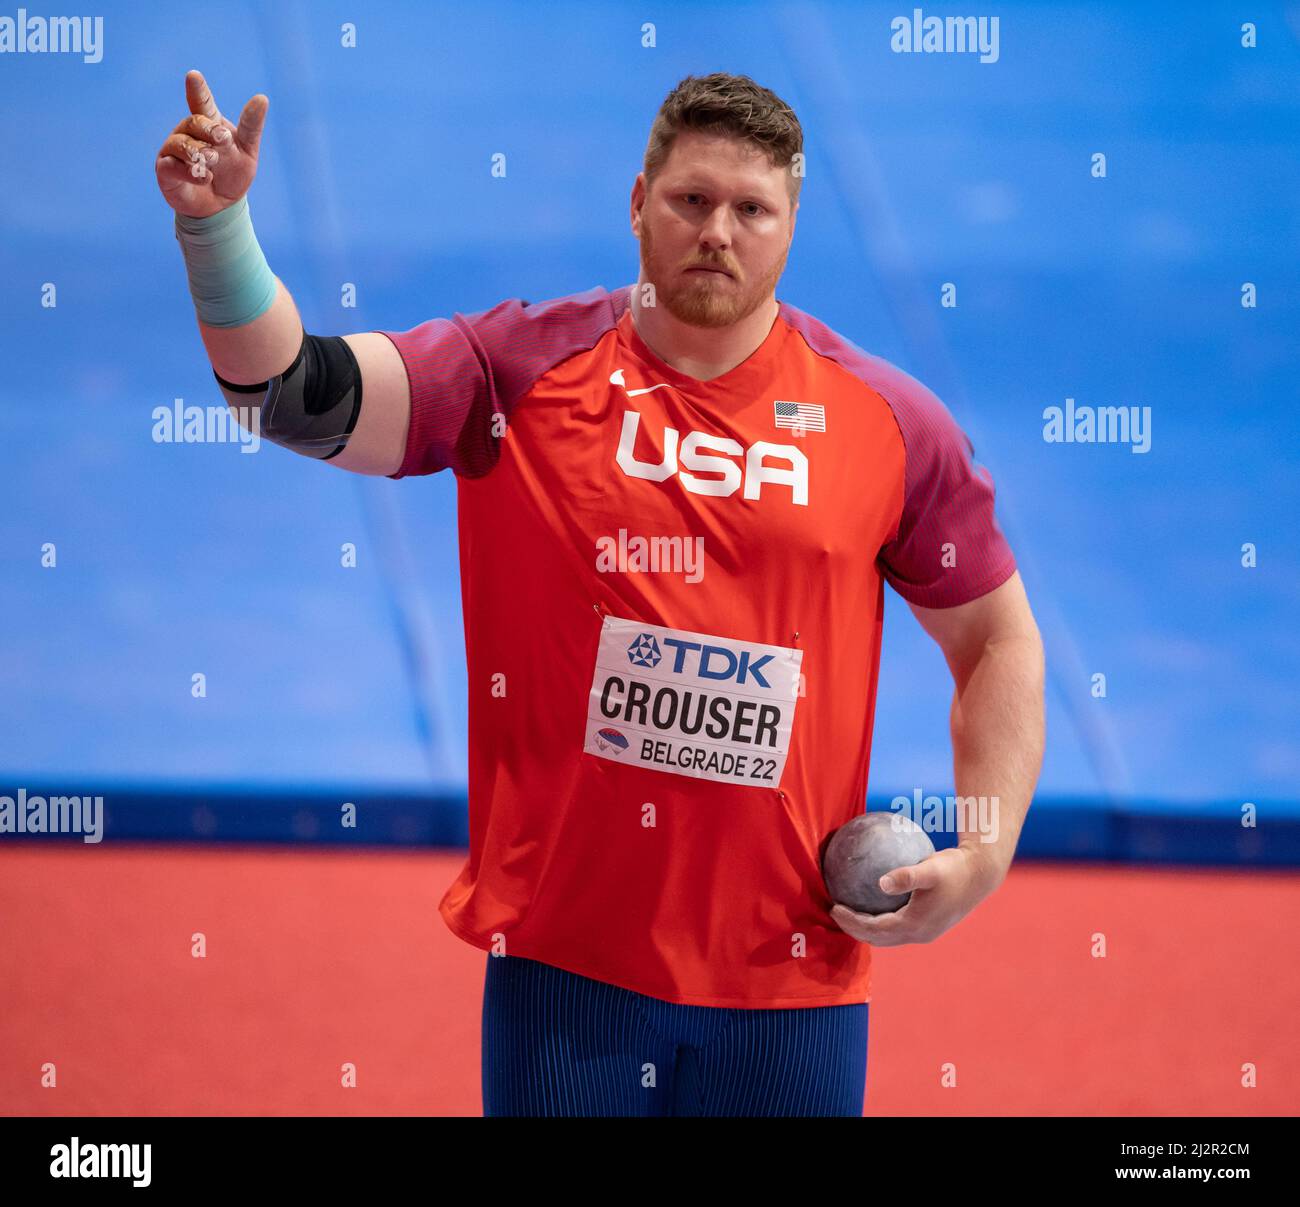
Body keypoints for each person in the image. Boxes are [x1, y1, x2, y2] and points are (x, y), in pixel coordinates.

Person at [157, 68, 1045, 1117]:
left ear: (790, 227)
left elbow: (995, 639)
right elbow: (294, 398)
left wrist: (985, 849)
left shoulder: (888, 423)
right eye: (691, 200)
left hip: (791, 975)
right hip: (569, 969)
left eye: (751, 209)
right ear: (637, 204)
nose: (719, 231)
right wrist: (216, 235)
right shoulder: (515, 372)